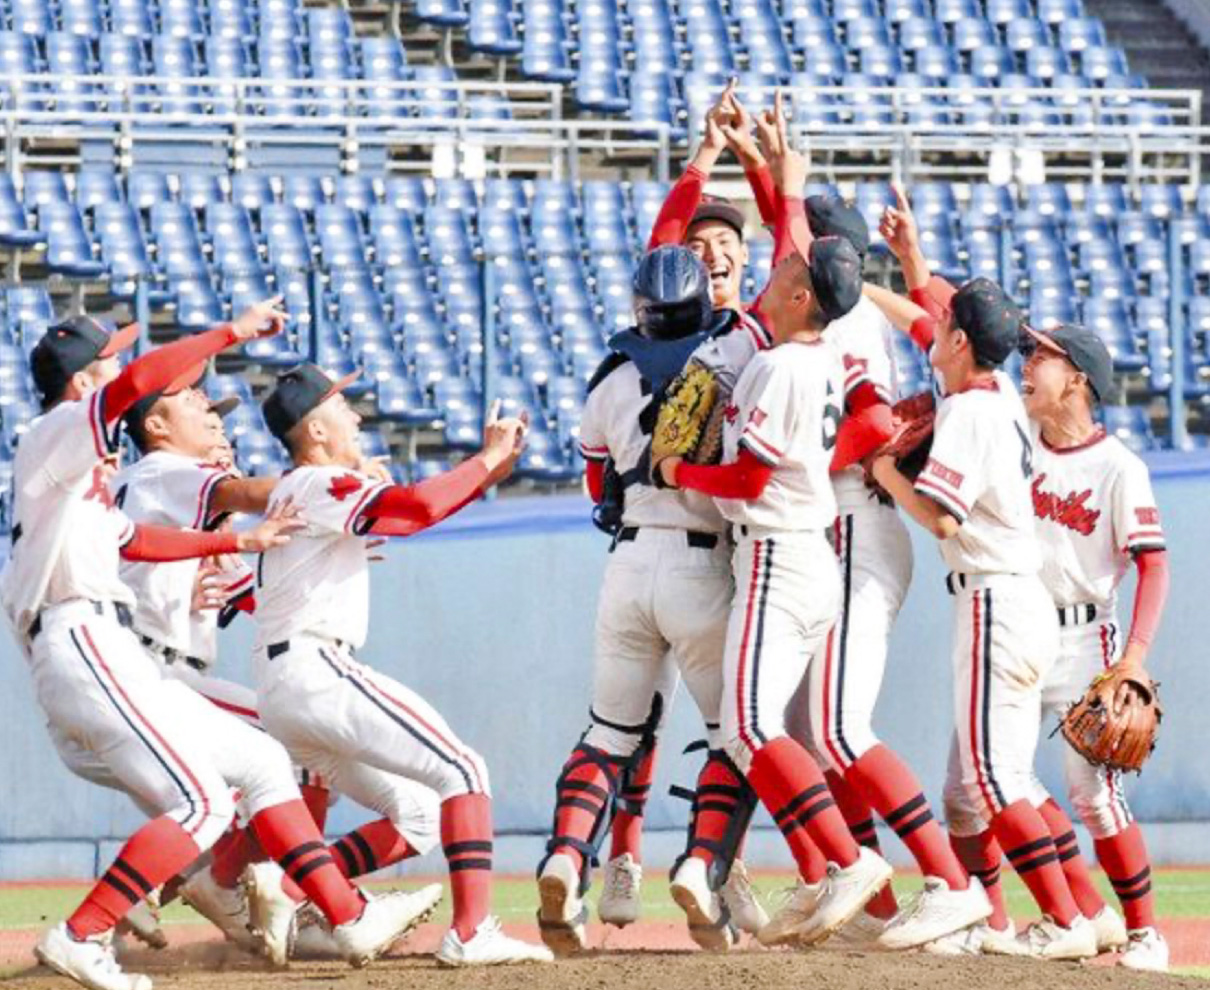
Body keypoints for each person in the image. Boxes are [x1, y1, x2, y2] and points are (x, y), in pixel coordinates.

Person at [5, 307, 437, 990]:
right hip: (83, 635)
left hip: (103, 643)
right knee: (204, 803)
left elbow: (132, 540)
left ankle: (344, 913)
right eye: (109, 360)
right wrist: (232, 334)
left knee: (266, 759)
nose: (122, 367)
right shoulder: (56, 431)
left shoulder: (79, 475)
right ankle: (84, 933)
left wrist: (236, 542)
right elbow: (142, 381)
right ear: (85, 380)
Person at [658, 118, 895, 945]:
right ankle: (830, 865)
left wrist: (681, 473)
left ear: (802, 295)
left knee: (753, 728)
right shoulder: (816, 349)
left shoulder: (783, 362)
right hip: (808, 552)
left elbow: (749, 478)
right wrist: (772, 174)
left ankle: (844, 860)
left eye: (791, 261)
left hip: (777, 552)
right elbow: (796, 250)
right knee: (770, 728)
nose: (780, 257)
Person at [113, 378, 441, 965]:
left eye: (218, 416)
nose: (218, 426)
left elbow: (259, 595)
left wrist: (325, 548)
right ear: (159, 428)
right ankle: (286, 893)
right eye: (202, 412)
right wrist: (348, 491)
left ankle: (165, 893)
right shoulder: (163, 472)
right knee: (289, 752)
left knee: (266, 775)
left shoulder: (188, 517)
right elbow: (272, 493)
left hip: (156, 666)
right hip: (154, 669)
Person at [249, 363, 551, 967]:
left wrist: (486, 474)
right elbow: (415, 507)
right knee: (464, 770)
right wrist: (485, 461)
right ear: (314, 432)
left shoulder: (299, 488)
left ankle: (294, 892)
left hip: (282, 682)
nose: (357, 416)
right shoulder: (315, 484)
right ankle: (472, 931)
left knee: (418, 815)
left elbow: (408, 514)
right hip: (314, 667)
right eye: (342, 406)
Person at [863, 273, 1099, 961]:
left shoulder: (971, 409)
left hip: (994, 595)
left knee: (991, 780)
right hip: (1011, 596)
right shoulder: (992, 392)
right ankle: (994, 921)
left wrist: (885, 475)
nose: (934, 331)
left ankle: (1064, 918)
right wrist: (898, 273)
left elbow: (942, 516)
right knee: (968, 793)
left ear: (961, 340)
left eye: (946, 326)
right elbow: (932, 319)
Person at [1013, 323, 1169, 970]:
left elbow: (1153, 565)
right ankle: (1081, 912)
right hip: (1019, 625)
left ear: (1076, 378)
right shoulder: (1017, 442)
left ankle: (1145, 933)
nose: (1027, 364)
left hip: (1086, 637)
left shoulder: (1118, 466)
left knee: (1093, 792)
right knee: (1006, 781)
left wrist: (1133, 656)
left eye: (1041, 356)